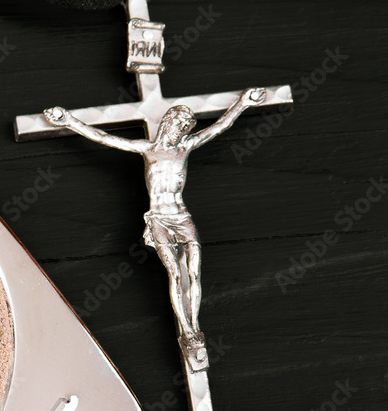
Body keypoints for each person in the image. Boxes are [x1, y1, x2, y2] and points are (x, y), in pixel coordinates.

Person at [43, 87, 266, 370]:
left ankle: (194, 327)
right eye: (176, 123)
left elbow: (219, 127)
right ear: (167, 122)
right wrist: (69, 121)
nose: (179, 129)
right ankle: (187, 329)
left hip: (182, 216)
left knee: (194, 271)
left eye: (185, 126)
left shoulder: (184, 148)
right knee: (175, 271)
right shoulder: (147, 149)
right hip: (159, 217)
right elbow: (105, 138)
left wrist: (243, 103)